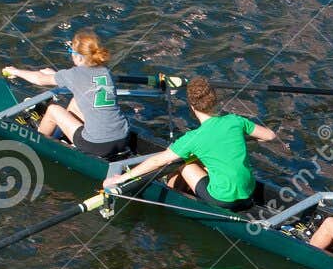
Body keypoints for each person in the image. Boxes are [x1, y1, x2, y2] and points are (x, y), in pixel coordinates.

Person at [103, 76, 276, 211]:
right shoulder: (235, 121)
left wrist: (123, 177)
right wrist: (235, 139)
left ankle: (174, 197)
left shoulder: (193, 138)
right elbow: (269, 136)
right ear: (215, 101)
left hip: (223, 200)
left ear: (192, 107)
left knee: (181, 163)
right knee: (203, 160)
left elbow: (157, 161)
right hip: (248, 192)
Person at [4, 29, 131, 157]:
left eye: (71, 52)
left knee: (54, 110)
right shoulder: (106, 71)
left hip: (97, 145)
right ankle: (66, 134)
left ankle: (36, 141)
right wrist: (56, 75)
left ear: (78, 56)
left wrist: (15, 71)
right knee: (76, 101)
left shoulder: (74, 74)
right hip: (123, 138)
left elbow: (39, 79)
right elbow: (81, 82)